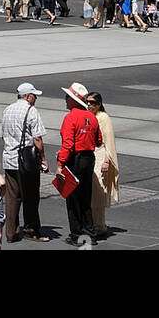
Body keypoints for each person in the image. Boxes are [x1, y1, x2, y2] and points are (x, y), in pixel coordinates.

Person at [0, 83, 50, 243]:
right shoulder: (31, 111)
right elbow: (37, 138)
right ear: (28, 96)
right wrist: (43, 159)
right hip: (27, 161)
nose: (35, 99)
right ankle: (31, 230)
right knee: (31, 197)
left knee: (12, 197)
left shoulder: (7, 110)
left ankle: (11, 233)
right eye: (34, 96)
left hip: (9, 159)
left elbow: (3, 134)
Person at [56, 82, 102, 246]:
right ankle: (90, 232)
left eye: (68, 96)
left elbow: (68, 145)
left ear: (74, 100)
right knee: (85, 197)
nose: (65, 99)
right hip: (89, 159)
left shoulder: (70, 117)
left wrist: (60, 164)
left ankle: (77, 235)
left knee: (72, 197)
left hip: (74, 160)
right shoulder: (92, 117)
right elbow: (98, 141)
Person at [87, 92, 119, 238]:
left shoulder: (103, 117)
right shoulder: (88, 115)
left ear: (99, 104)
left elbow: (108, 141)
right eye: (87, 102)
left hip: (100, 156)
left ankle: (99, 225)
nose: (89, 105)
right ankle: (93, 223)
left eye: (92, 102)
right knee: (91, 193)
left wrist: (107, 160)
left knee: (99, 193)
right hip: (90, 155)